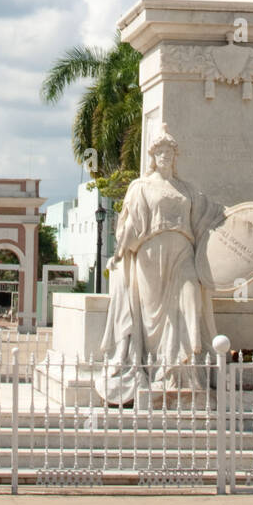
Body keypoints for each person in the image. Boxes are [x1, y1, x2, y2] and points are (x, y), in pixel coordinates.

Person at [95, 125, 226, 406]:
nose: (165, 155)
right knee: (156, 319)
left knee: (190, 302)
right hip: (151, 256)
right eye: (160, 151)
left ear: (175, 155)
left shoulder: (186, 189)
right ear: (153, 156)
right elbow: (129, 224)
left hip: (183, 254)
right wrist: (120, 250)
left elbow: (212, 216)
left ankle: (190, 367)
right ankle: (162, 371)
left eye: (169, 151)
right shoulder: (140, 186)